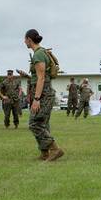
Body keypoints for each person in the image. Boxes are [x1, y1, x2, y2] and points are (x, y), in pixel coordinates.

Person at [24, 29, 63, 161]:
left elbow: (41, 78)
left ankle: (55, 149)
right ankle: (45, 153)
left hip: (43, 92)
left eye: (25, 39)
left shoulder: (39, 54)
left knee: (34, 124)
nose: (24, 42)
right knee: (43, 123)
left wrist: (36, 99)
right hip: (43, 91)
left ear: (29, 39)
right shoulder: (41, 52)